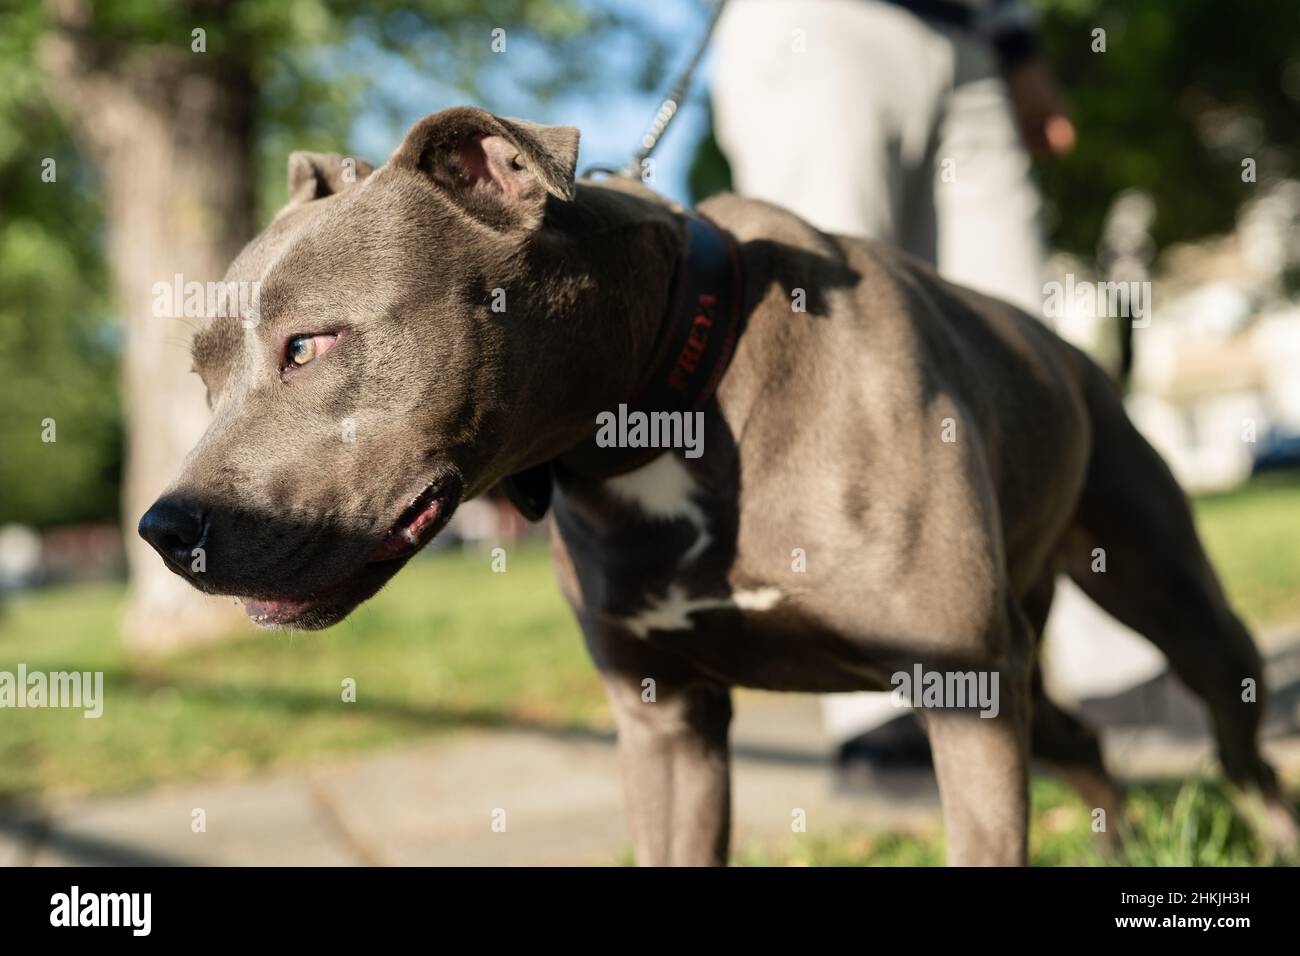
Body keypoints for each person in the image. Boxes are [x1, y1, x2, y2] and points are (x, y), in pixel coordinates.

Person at [711, 0, 1162, 771]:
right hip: (815, 26)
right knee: (830, 359)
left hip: (967, 37)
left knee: (1027, 359)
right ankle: (881, 711)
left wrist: (1018, 47)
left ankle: (1104, 674)